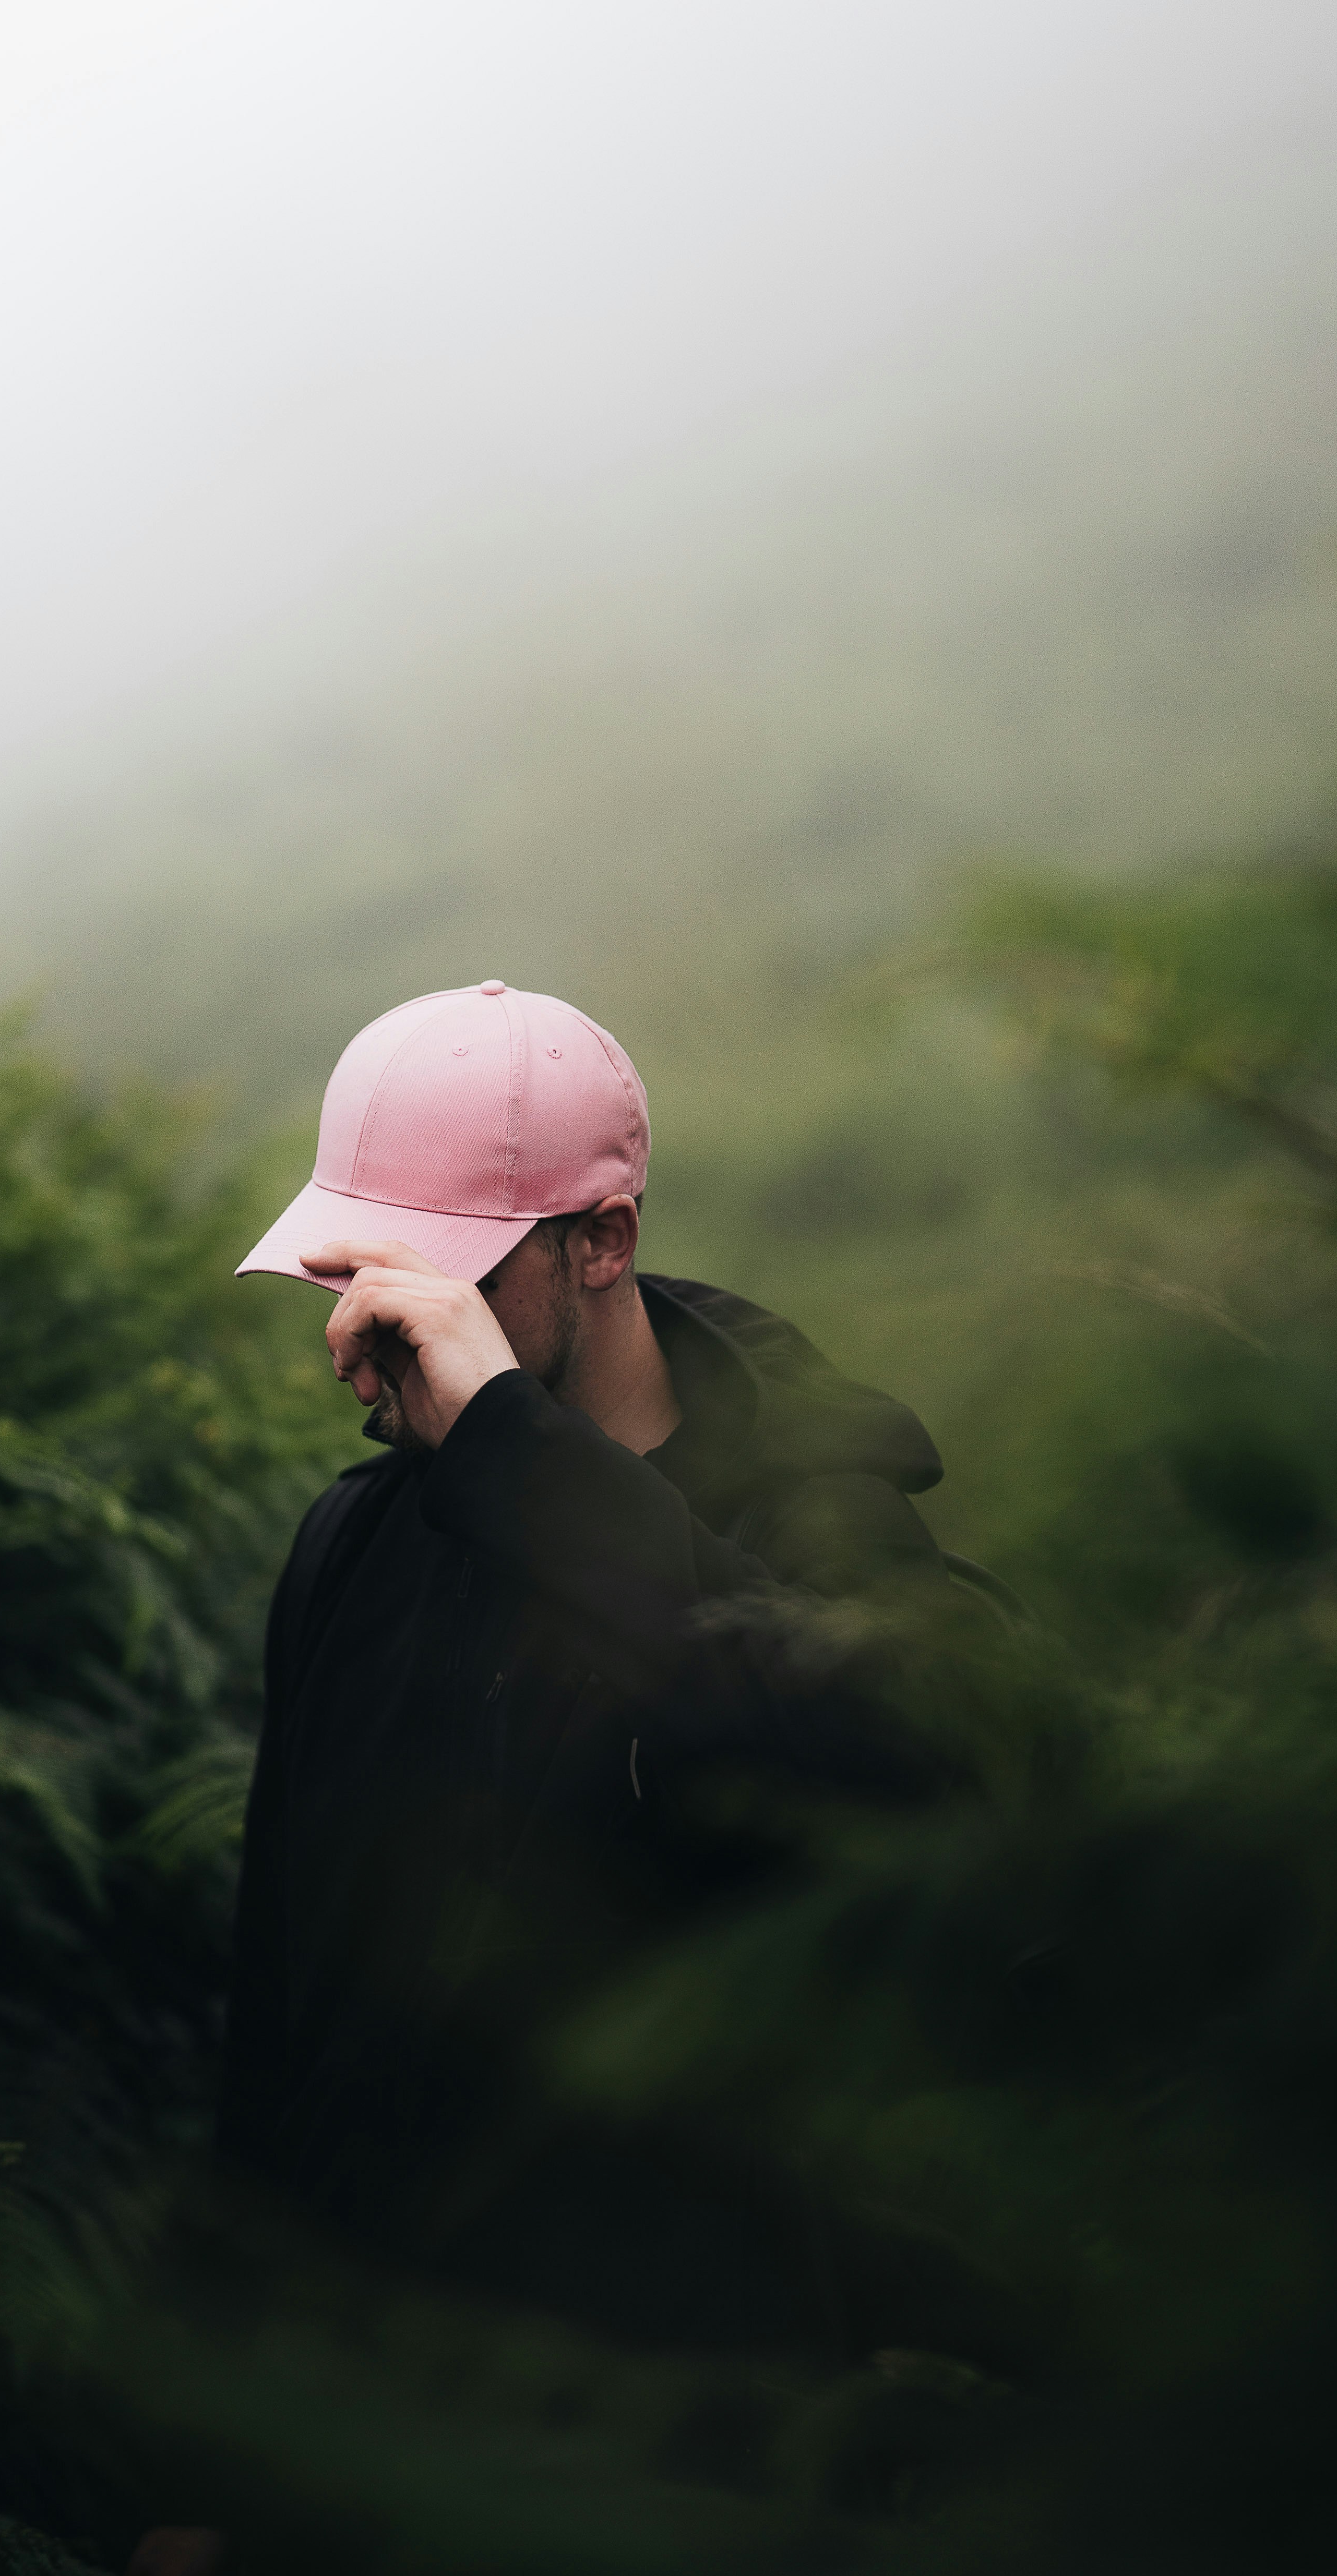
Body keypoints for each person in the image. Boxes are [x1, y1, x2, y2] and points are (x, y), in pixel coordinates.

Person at [219, 979, 988, 2346]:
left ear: (603, 1241)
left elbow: (904, 1773)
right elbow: (285, 1990)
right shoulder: (353, 1540)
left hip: (681, 2407)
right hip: (367, 2391)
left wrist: (520, 1455)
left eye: (438, 1287)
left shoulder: (819, 1525)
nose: (363, 1346)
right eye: (347, 1284)